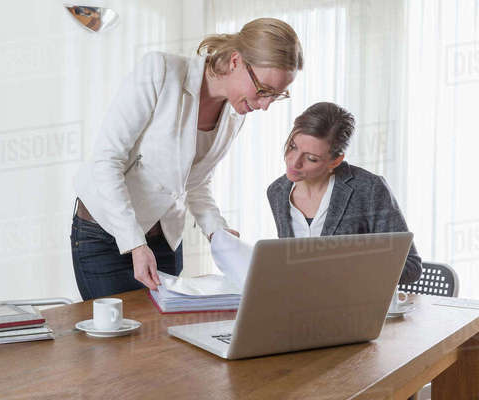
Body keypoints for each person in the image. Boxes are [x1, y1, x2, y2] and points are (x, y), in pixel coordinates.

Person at [71, 18, 304, 300]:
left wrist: (217, 231)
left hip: (165, 240)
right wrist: (134, 244)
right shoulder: (161, 71)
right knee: (119, 339)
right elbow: (107, 160)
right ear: (235, 62)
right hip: (104, 234)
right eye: (264, 89)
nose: (265, 105)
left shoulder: (233, 113)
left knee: (162, 341)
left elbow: (195, 181)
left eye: (276, 96)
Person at [266, 102, 422, 284]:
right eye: (293, 147)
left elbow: (411, 267)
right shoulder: (277, 191)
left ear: (335, 161)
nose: (294, 162)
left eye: (311, 158)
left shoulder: (368, 188)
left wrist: (348, 266)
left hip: (355, 305)